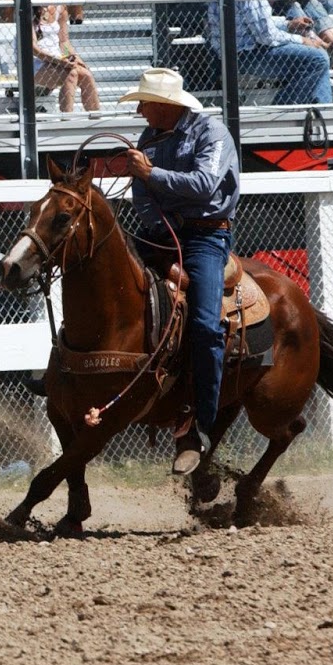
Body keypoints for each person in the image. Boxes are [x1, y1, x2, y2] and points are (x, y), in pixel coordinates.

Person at [115, 66, 240, 474]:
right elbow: (142, 196)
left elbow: (205, 184)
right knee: (105, 275)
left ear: (163, 105)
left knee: (205, 325)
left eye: (144, 105)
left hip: (206, 237)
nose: (140, 113)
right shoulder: (151, 138)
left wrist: (152, 174)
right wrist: (156, 225)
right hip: (163, 235)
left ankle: (203, 425)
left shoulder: (211, 134)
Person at [211, 0, 333, 107]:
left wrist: (288, 24)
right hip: (249, 54)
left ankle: (320, 107)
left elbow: (255, 23)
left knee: (315, 58)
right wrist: (303, 39)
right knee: (318, 58)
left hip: (236, 53)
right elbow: (266, 36)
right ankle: (286, 108)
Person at [29, 0, 99, 114]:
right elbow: (33, 49)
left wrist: (75, 58)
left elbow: (64, 42)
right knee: (71, 73)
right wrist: (61, 62)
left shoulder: (60, 6)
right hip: (33, 64)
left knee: (86, 74)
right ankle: (66, 121)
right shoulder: (27, 6)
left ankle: (96, 120)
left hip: (58, 61)